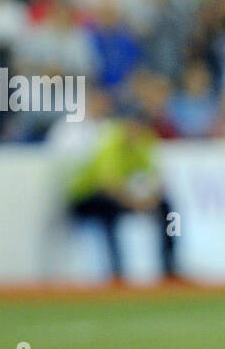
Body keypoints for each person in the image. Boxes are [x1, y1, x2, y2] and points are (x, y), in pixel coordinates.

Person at [66, 107, 178, 282]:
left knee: (167, 209)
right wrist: (136, 204)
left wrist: (151, 200)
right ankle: (117, 271)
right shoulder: (110, 141)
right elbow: (108, 185)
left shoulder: (143, 141)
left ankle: (169, 267)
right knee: (109, 210)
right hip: (85, 197)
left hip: (122, 198)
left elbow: (157, 178)